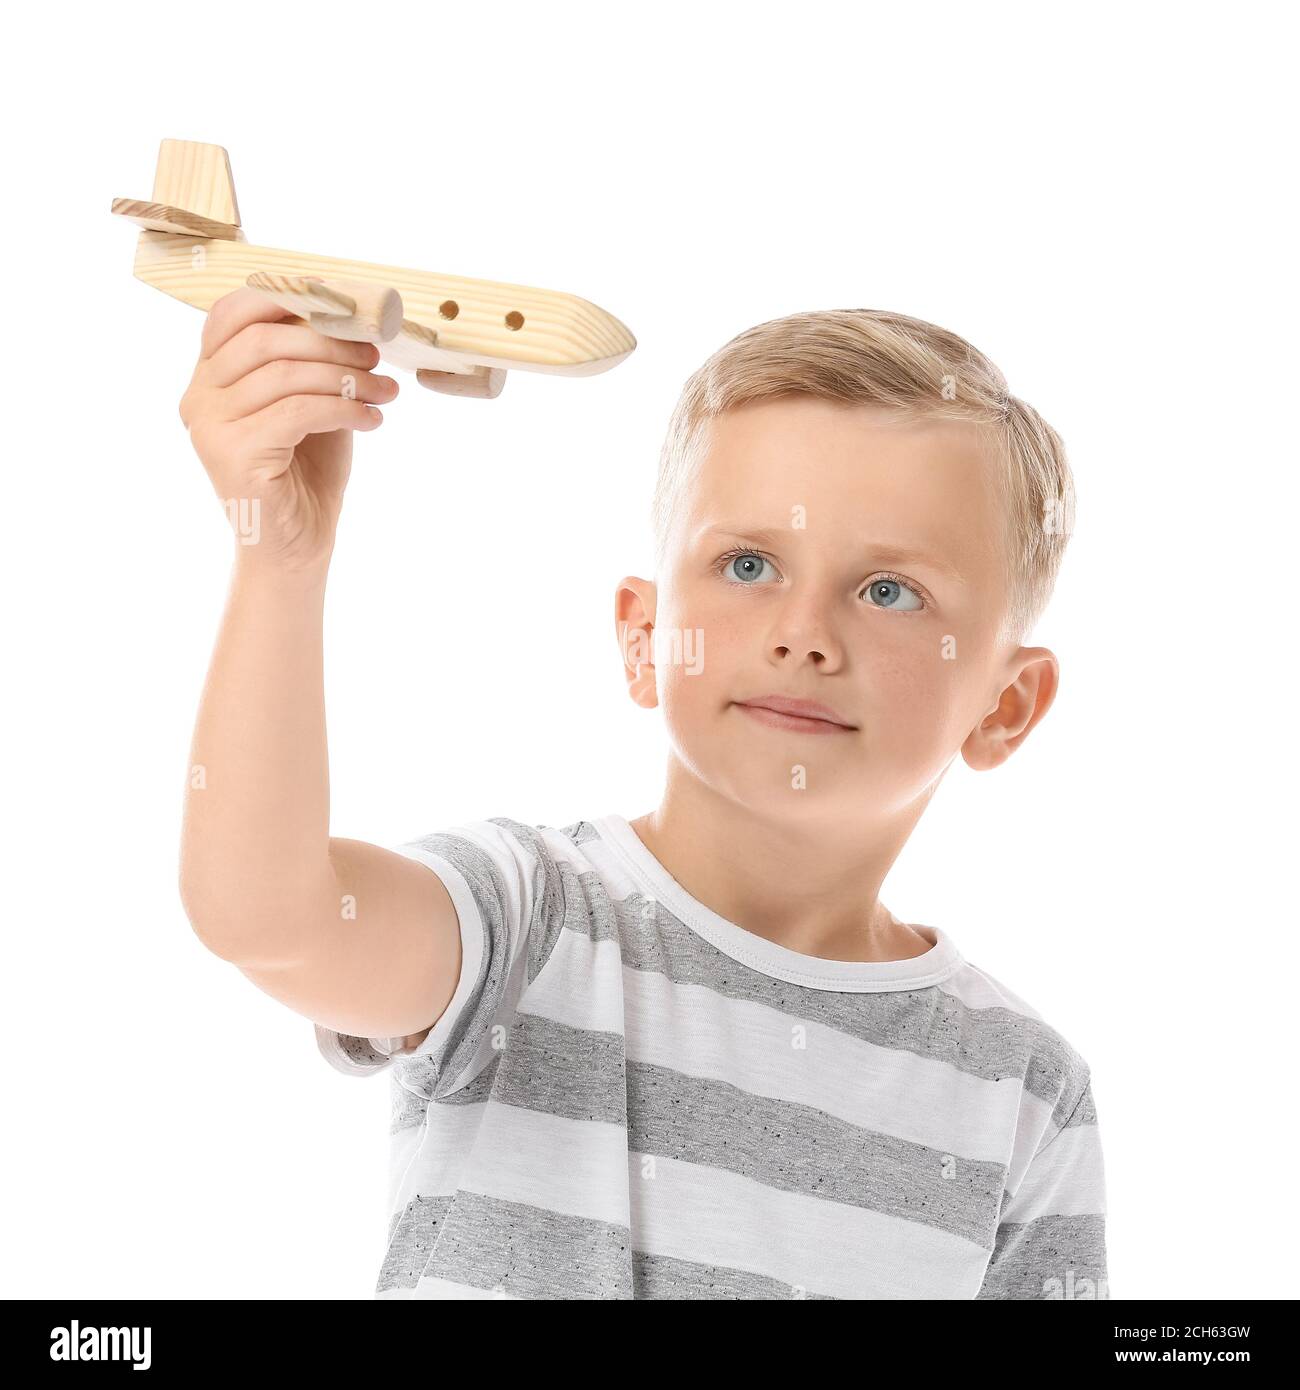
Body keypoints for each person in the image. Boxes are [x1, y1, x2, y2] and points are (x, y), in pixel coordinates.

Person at [178, 293, 1107, 1300]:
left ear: (1005, 705)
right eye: (747, 564)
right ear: (642, 638)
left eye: (888, 591)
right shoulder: (524, 919)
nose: (803, 633)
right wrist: (281, 558)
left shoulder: (1024, 1093)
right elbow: (266, 913)